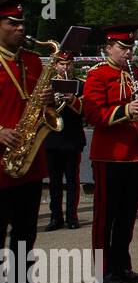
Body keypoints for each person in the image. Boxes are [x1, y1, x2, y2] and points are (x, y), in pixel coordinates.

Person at [0, 0, 60, 283]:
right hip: (1, 159)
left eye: (22, 24)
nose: (21, 28)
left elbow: (43, 109)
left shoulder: (34, 61)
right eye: (12, 23)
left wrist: (49, 101)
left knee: (26, 231)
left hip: (29, 158)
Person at [82, 24, 138, 283]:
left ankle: (122, 264)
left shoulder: (137, 72)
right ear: (108, 48)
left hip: (136, 152)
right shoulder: (98, 75)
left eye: (130, 48)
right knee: (105, 216)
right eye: (122, 48)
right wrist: (125, 110)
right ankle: (103, 269)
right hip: (109, 155)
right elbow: (93, 114)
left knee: (126, 215)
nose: (127, 53)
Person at [43, 50, 86, 231]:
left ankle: (72, 216)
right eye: (61, 64)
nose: (65, 67)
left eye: (68, 64)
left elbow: (86, 111)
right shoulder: (47, 86)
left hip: (72, 137)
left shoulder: (81, 85)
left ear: (73, 65)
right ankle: (55, 217)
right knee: (54, 181)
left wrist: (72, 100)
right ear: (55, 66)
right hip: (52, 138)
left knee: (72, 181)